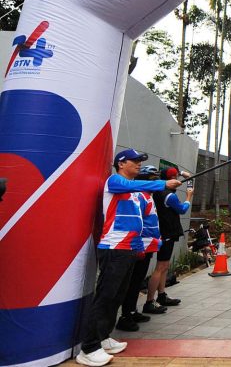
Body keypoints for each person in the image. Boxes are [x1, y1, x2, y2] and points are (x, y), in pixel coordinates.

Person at [76, 149, 180, 367]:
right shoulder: (115, 181)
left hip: (129, 249)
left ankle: (103, 337)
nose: (138, 164)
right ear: (121, 164)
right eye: (134, 161)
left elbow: (140, 222)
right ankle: (89, 348)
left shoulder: (134, 192)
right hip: (114, 248)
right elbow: (132, 186)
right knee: (105, 297)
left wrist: (142, 247)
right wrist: (163, 183)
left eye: (140, 161)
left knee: (117, 296)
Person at [115, 165, 163, 332]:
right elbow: (138, 222)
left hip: (148, 245)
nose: (155, 183)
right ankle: (125, 315)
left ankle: (132, 310)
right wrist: (139, 246)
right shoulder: (140, 196)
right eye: (152, 179)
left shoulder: (148, 196)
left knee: (137, 281)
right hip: (140, 246)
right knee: (133, 281)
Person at [144, 167, 192, 314]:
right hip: (167, 232)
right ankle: (149, 301)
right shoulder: (169, 196)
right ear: (171, 180)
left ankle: (162, 295)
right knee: (160, 267)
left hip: (164, 232)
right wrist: (189, 197)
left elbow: (187, 177)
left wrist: (183, 174)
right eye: (175, 178)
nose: (177, 181)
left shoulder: (159, 191)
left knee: (164, 266)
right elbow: (182, 209)